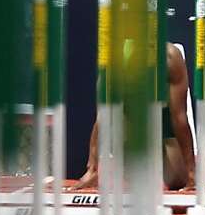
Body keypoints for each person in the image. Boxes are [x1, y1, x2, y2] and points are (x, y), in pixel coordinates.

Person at [73, 42, 195, 190]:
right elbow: (103, 116)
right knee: (136, 178)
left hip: (164, 121)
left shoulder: (171, 57)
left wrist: (191, 173)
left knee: (177, 180)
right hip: (131, 121)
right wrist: (92, 168)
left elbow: (179, 117)